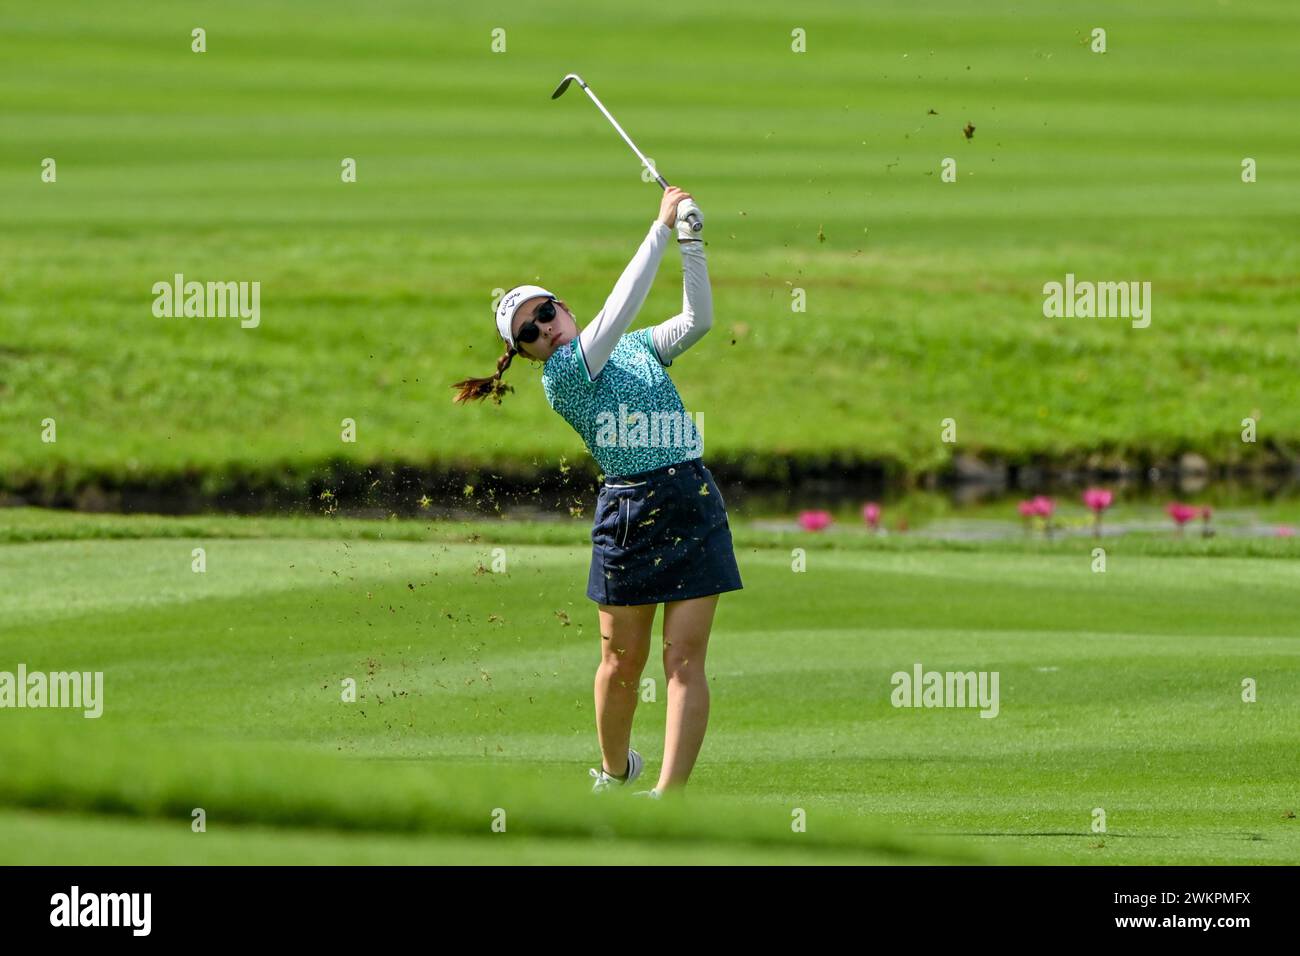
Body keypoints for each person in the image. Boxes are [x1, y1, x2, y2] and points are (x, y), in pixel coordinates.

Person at [452, 187, 742, 798]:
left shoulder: (634, 349)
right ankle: (615, 772)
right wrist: (659, 229)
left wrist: (692, 243)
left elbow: (699, 322)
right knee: (622, 664)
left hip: (691, 497)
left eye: (545, 312)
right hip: (630, 512)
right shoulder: (564, 375)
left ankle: (669, 800)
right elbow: (616, 311)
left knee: (684, 661)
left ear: (562, 307)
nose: (543, 329)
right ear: (525, 353)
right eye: (528, 331)